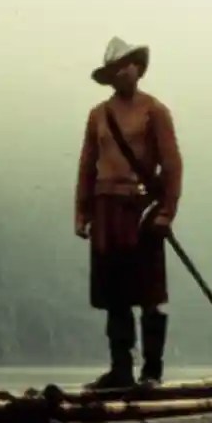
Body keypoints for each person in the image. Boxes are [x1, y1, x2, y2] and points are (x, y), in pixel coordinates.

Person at [75, 36, 183, 389]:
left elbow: (171, 165)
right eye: (117, 68)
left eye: (129, 64)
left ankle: (152, 371)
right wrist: (82, 212)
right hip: (106, 208)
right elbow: (87, 166)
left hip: (142, 209)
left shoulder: (155, 111)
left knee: (150, 294)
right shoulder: (99, 115)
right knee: (113, 296)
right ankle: (120, 369)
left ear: (138, 69)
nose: (125, 71)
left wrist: (167, 211)